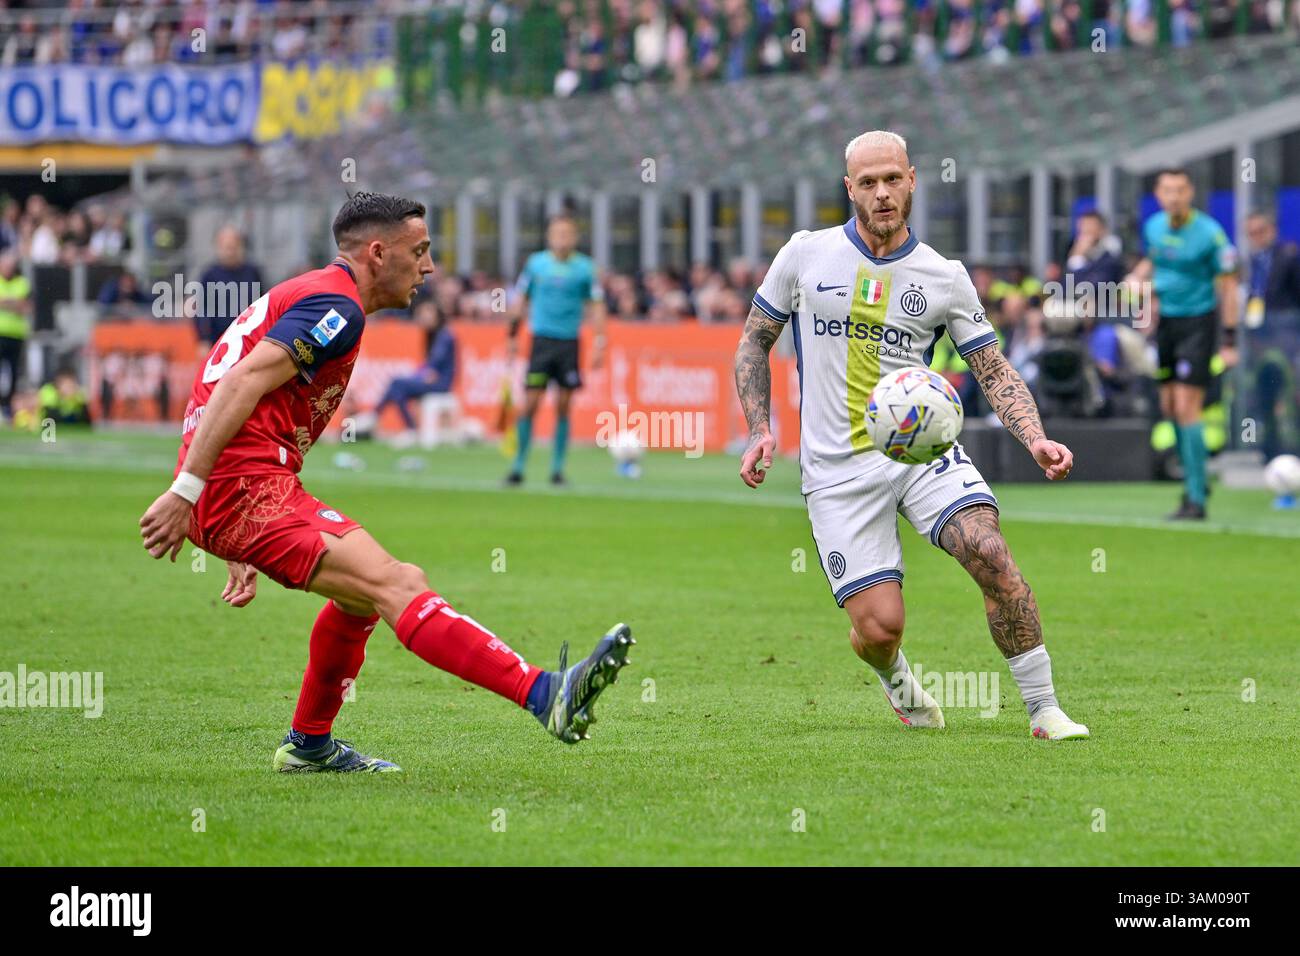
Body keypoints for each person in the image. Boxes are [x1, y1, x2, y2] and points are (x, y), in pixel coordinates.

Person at [139, 193, 632, 774]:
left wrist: (217, 516)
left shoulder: (320, 292)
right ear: (378, 253)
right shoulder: (336, 307)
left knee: (358, 599)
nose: (429, 267)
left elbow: (231, 384)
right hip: (240, 486)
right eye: (419, 252)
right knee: (396, 582)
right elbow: (239, 382)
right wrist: (194, 493)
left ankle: (309, 745)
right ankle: (547, 695)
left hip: (241, 486)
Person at [734, 130, 1088, 741]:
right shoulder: (804, 254)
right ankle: (898, 683)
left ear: (912, 179)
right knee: (879, 630)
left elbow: (993, 368)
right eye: (867, 183)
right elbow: (754, 341)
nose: (881, 194)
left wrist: (1034, 437)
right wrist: (760, 429)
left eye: (892, 179)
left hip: (921, 452)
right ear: (849, 188)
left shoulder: (943, 276)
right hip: (837, 469)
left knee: (992, 556)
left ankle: (1044, 710)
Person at [1125, 168, 1239, 520]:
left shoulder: (1210, 234)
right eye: (1167, 190)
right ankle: (1196, 478)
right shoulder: (1154, 227)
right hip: (1168, 326)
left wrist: (1230, 337)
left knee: (1188, 406)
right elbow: (1155, 259)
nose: (1174, 196)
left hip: (1199, 325)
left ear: (1189, 193)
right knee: (1170, 405)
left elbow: (1229, 286)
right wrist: (1137, 278)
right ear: (1159, 195)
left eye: (1180, 190)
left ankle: (1195, 498)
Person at [504, 212, 607, 485]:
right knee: (530, 404)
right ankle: (518, 466)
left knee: (564, 405)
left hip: (568, 343)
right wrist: (512, 335)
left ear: (575, 237)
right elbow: (521, 299)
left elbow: (597, 305)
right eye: (557, 233)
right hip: (542, 342)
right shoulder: (536, 265)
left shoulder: (585, 268)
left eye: (567, 233)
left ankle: (557, 468)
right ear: (549, 236)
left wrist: (599, 341)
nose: (562, 238)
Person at [1242, 211, 1300, 464]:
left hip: (1286, 332)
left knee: (1291, 391)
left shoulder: (1289, 256)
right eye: (1250, 233)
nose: (1255, 237)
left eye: (1259, 231)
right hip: (1259, 334)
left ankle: (1294, 448)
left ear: (1271, 231)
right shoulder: (1251, 260)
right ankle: (1270, 449)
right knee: (1263, 392)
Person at [360, 299, 457, 447]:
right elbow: (428, 366)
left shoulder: (445, 336)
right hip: (432, 380)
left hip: (440, 383)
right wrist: (418, 375)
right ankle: (405, 427)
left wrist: (420, 375)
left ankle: (379, 417)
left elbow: (434, 365)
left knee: (397, 384)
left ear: (436, 315)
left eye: (426, 315)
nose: (422, 318)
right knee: (398, 389)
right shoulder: (433, 334)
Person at [193, 225, 264, 356]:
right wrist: (203, 339)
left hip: (248, 339)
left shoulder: (252, 272)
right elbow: (201, 310)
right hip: (219, 340)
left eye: (233, 247)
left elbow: (263, 304)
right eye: (227, 247)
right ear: (218, 247)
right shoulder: (210, 275)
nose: (230, 252)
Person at [0, 249, 31, 422]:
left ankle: (7, 407)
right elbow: (19, 304)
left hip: (16, 335)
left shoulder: (22, 283)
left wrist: (5, 302)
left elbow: (27, 306)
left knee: (13, 373)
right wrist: (15, 303)